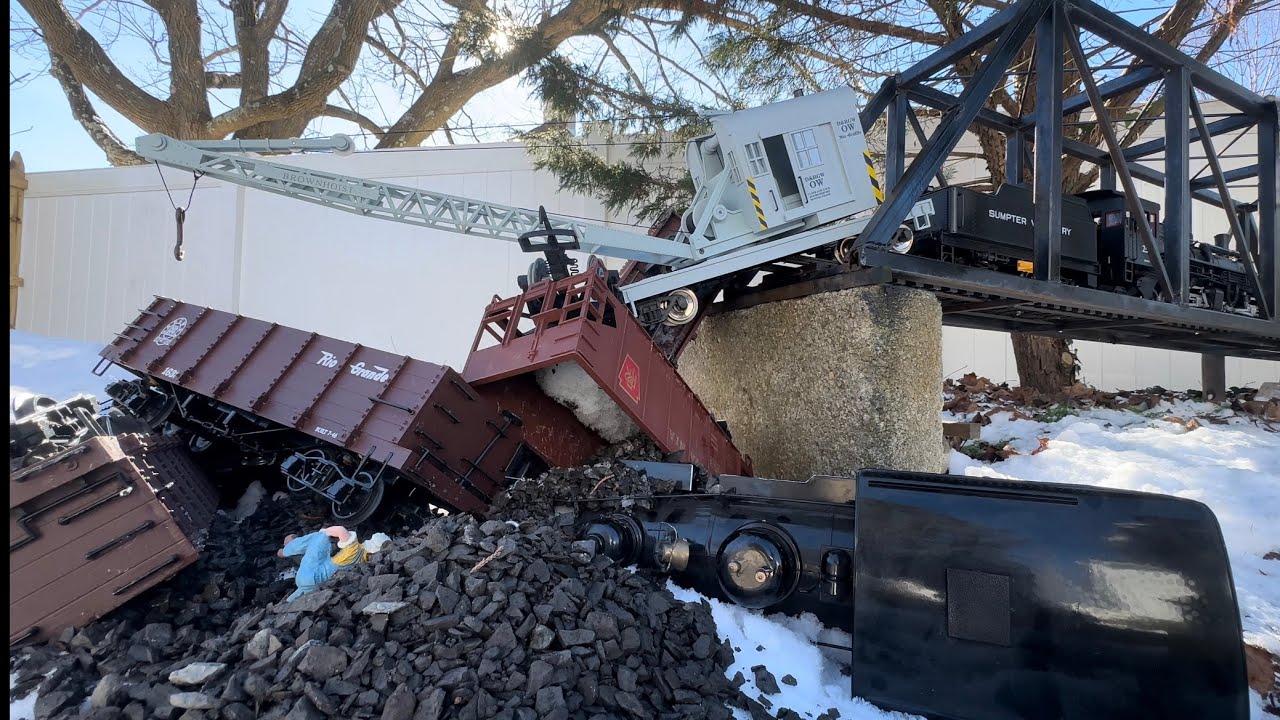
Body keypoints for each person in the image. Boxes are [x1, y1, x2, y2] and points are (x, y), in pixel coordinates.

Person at [277, 526, 391, 601]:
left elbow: (341, 530)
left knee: (319, 537)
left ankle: (287, 549)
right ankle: (287, 602)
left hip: (311, 574)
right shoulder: (364, 562)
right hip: (315, 585)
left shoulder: (354, 549)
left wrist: (325, 531)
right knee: (298, 594)